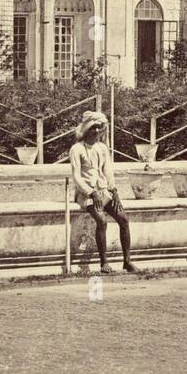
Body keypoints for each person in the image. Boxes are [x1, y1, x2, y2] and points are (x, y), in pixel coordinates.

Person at [68, 110, 138, 274]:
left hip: (104, 192)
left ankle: (127, 262)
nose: (97, 131)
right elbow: (76, 176)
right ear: (86, 129)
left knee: (124, 219)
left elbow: (108, 172)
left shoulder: (102, 148)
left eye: (100, 127)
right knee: (102, 221)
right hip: (86, 195)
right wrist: (91, 192)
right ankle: (104, 263)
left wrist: (114, 191)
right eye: (93, 127)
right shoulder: (76, 149)